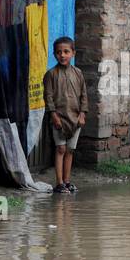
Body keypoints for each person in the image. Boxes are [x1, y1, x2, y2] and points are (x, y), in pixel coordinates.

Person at [42, 36, 87, 194]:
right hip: (59, 119)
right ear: (54, 54)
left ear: (73, 53)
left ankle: (67, 181)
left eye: (66, 51)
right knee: (60, 148)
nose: (62, 55)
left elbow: (84, 96)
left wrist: (82, 114)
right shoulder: (51, 74)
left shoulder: (78, 73)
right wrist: (53, 116)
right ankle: (59, 183)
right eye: (59, 52)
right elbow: (47, 97)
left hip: (75, 119)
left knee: (70, 150)